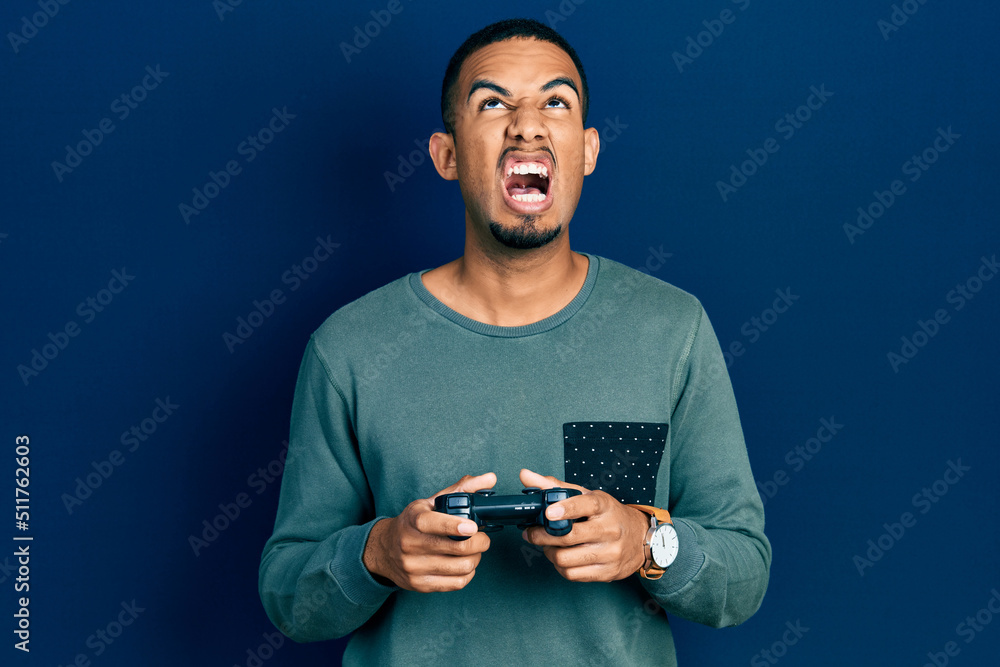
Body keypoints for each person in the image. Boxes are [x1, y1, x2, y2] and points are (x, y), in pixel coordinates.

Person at [259, 17, 771, 666]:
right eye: (493, 102)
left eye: (555, 101)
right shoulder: (349, 347)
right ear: (446, 155)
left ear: (586, 149)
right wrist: (380, 551)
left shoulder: (673, 328)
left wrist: (645, 542)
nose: (527, 123)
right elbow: (287, 595)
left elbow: (745, 572)